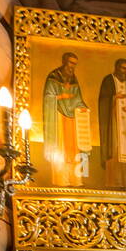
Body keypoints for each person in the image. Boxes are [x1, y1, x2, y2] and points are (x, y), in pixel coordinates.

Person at [43, 52, 88, 187]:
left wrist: (83, 107)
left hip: (72, 119)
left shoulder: (74, 79)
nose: (72, 67)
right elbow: (48, 97)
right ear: (64, 62)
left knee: (73, 149)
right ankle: (61, 179)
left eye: (75, 64)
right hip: (58, 117)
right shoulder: (53, 77)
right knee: (61, 148)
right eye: (71, 63)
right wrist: (60, 97)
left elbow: (78, 99)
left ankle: (75, 179)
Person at [98, 58, 126, 190]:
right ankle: (114, 182)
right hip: (113, 124)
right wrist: (114, 99)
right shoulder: (108, 80)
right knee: (115, 150)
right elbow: (102, 101)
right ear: (117, 67)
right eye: (123, 68)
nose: (125, 72)